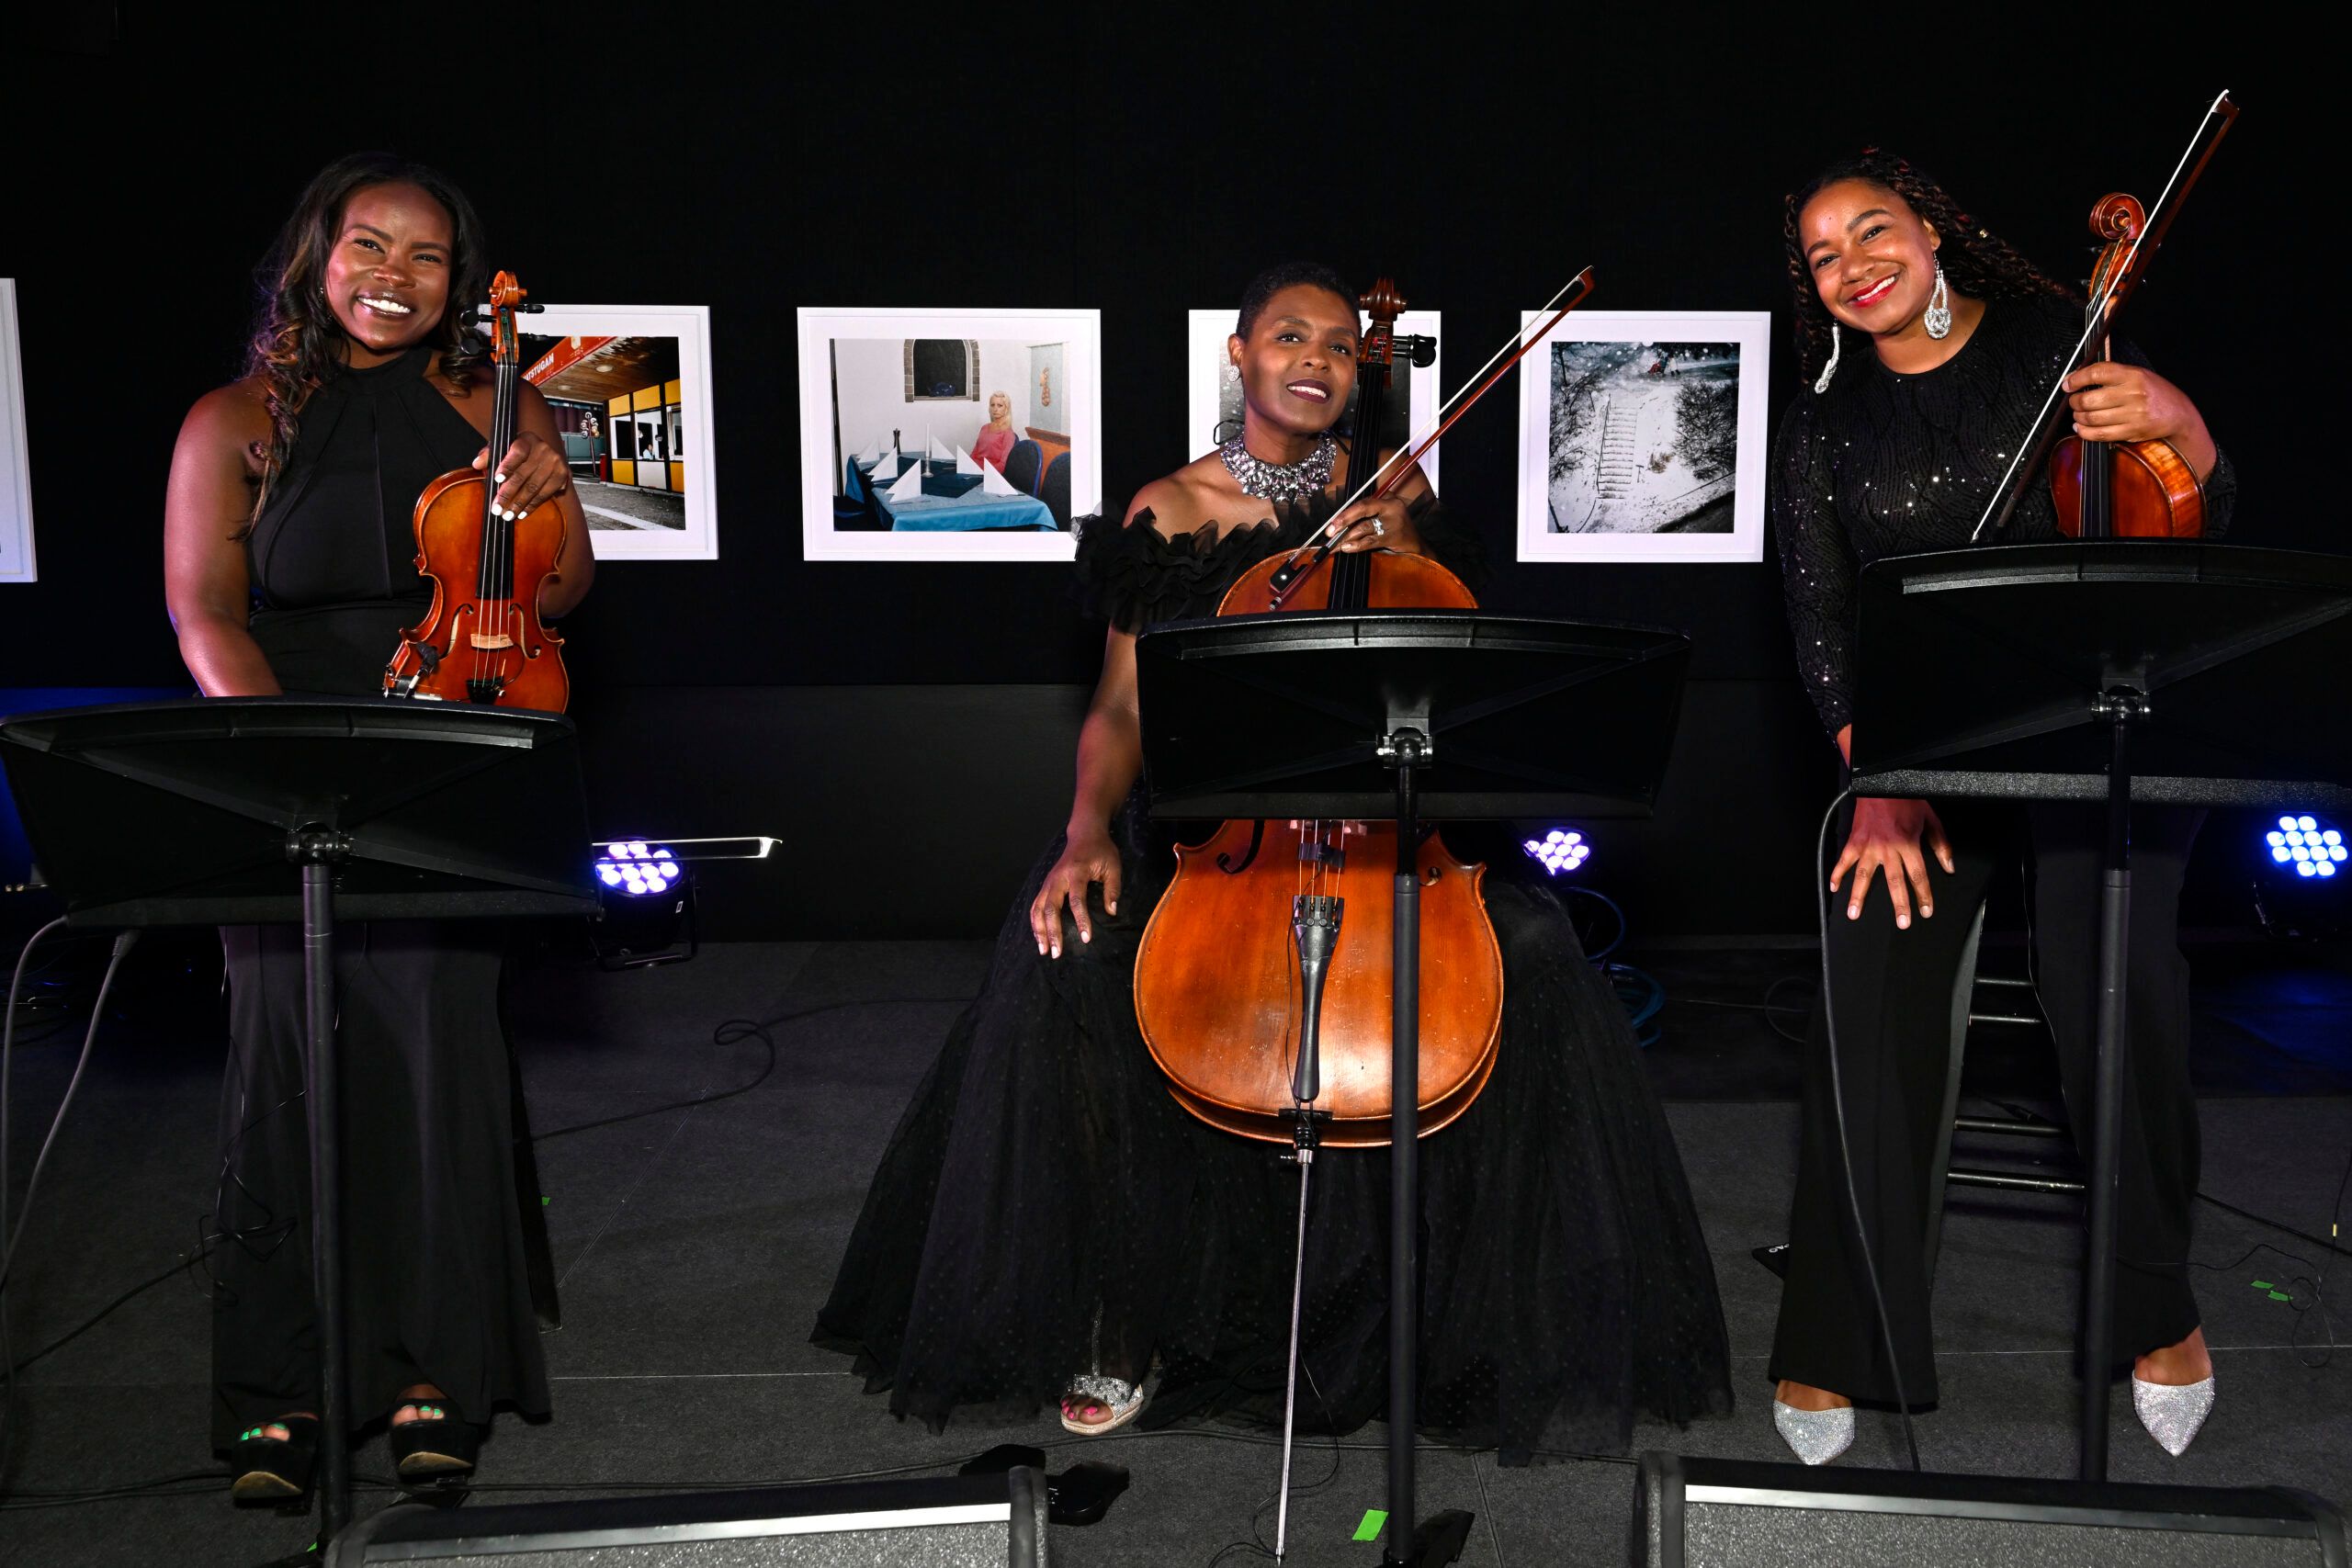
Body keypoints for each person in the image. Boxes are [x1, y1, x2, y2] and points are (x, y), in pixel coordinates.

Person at [816, 261, 1731, 1463]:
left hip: (1386, 828)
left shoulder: (1399, 500)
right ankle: (1121, 1311)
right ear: (1239, 357)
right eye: (1288, 336)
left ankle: (1471, 1322)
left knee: (1540, 953)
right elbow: (1121, 709)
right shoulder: (1173, 508)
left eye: (1341, 346)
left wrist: (1395, 549)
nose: (1315, 357)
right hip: (1217, 838)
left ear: (1362, 373)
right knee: (1064, 959)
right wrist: (1086, 827)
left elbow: (1452, 698)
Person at [1767, 150, 2230, 1465]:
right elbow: (1820, 636)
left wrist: (2179, 423)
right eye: (1823, 255)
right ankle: (1838, 1333)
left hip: (2096, 718)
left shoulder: (2058, 347)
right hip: (1926, 743)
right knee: (1868, 961)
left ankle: (2160, 1300)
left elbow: (2186, 522)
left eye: (1874, 231)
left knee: (2118, 970)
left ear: (1936, 234)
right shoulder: (1825, 428)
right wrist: (1881, 780)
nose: (1854, 265)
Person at [163, 152, 592, 1499]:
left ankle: (435, 1373)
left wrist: (539, 498)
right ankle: (278, 1388)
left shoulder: (494, 398)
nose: (393, 279)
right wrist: (288, 761)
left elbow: (565, 590)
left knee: (432, 1070)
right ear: (317, 255)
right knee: (283, 1081)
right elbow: (205, 610)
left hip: (441, 758)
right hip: (284, 763)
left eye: (426, 259)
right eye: (369, 247)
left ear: (459, 283)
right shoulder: (231, 418)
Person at [969, 390, 1018, 472]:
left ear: (1006, 408)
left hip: (990, 474)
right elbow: (974, 454)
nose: (995, 409)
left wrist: (981, 471)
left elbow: (1002, 465)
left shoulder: (1008, 434)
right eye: (992, 405)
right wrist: (969, 466)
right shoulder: (984, 428)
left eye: (999, 406)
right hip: (974, 471)